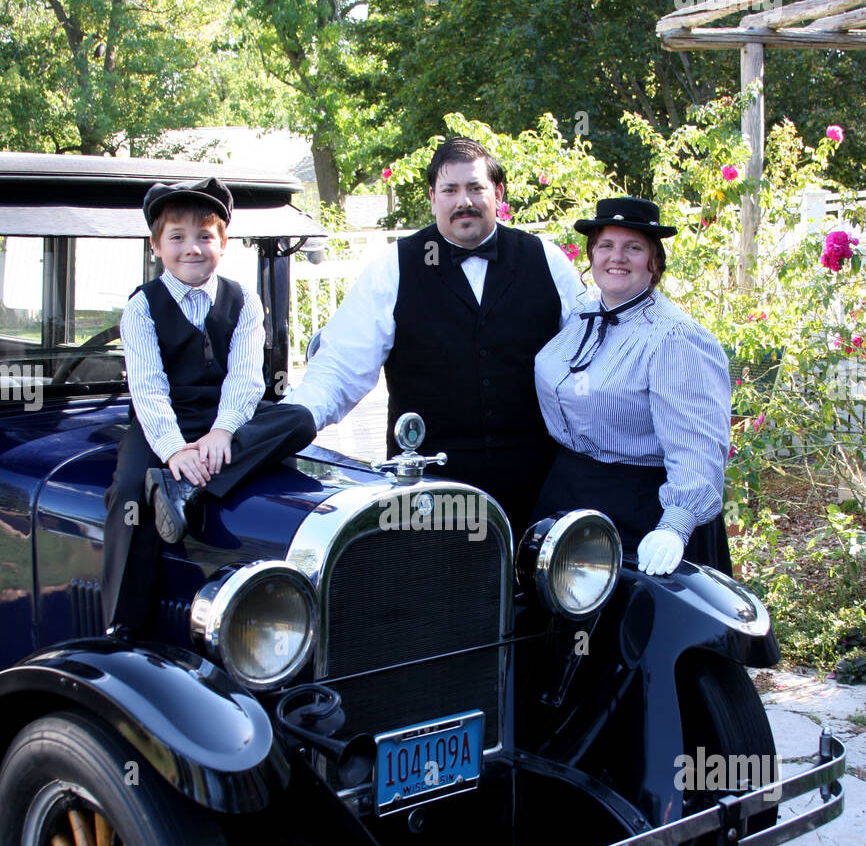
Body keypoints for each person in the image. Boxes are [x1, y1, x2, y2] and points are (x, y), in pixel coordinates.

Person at [291, 137, 587, 536]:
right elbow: (341, 369)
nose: (463, 201)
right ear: (433, 198)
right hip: (430, 493)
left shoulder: (546, 260)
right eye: (450, 190)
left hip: (537, 486)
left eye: (475, 187)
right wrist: (291, 422)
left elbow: (589, 354)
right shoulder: (394, 268)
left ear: (497, 193)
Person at [102, 176, 316, 633]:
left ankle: (187, 487)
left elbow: (244, 377)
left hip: (226, 416)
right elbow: (147, 386)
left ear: (223, 243)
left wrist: (223, 431)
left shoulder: (244, 300)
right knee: (127, 496)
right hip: (163, 420)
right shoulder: (141, 307)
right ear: (157, 246)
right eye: (177, 237)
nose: (192, 248)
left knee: (299, 419)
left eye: (205, 236)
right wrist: (174, 449)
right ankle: (120, 628)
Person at [533, 196, 732, 576]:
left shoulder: (676, 338)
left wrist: (675, 526)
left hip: (640, 510)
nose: (616, 257)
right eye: (606, 245)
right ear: (592, 255)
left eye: (633, 248)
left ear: (654, 261)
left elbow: (699, 447)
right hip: (567, 496)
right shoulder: (581, 319)